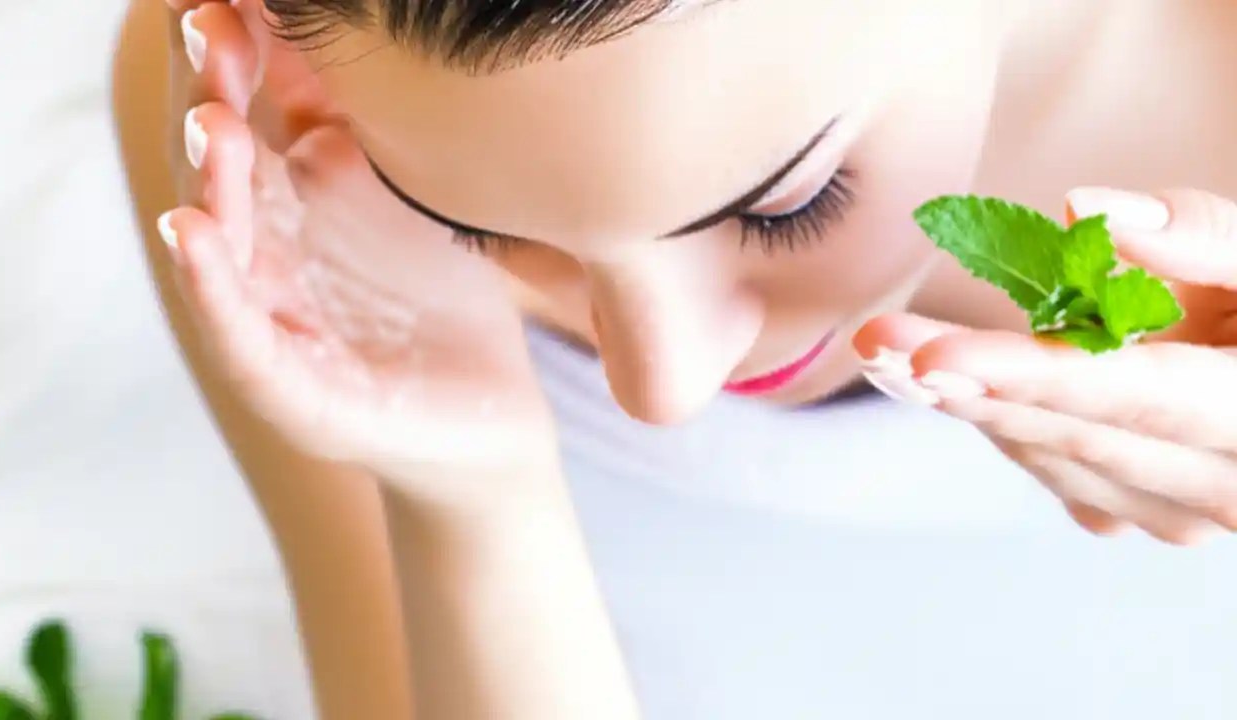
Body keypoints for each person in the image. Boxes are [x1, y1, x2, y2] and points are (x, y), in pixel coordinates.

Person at [113, 0, 1237, 716]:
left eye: (790, 203)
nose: (663, 388)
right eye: (479, 226)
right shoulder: (270, 129)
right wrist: (473, 505)